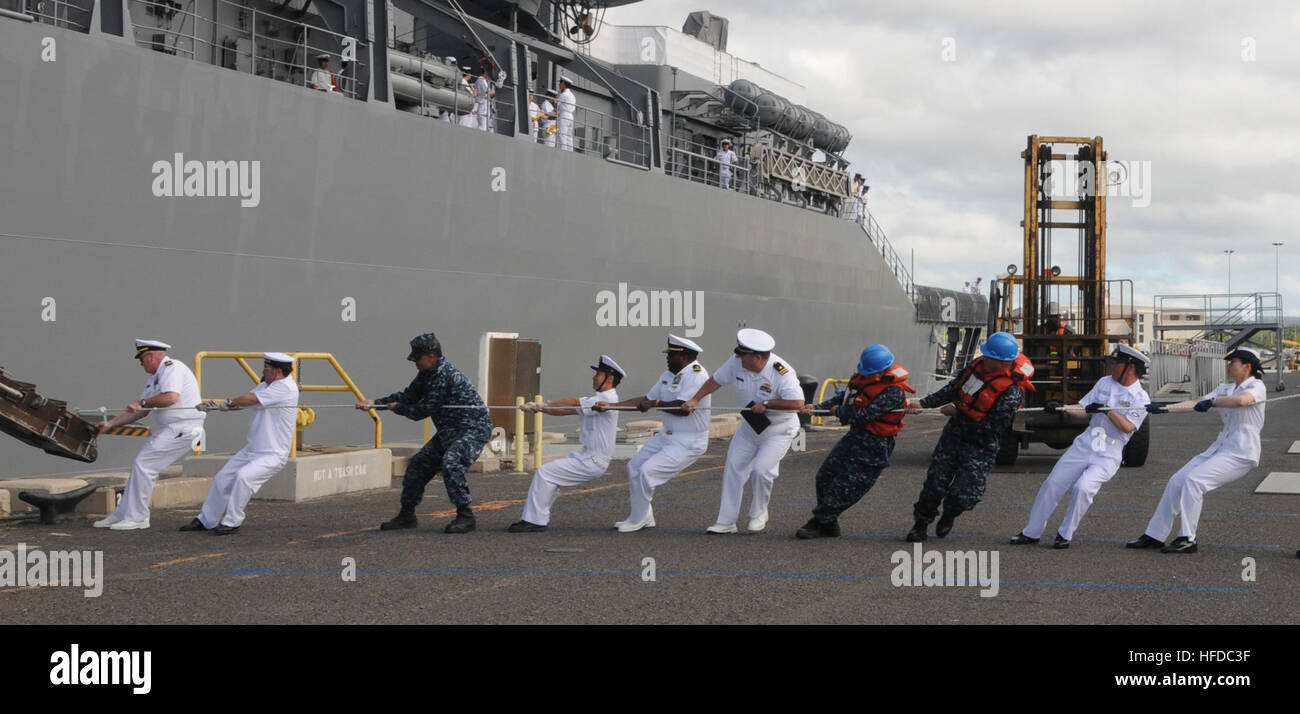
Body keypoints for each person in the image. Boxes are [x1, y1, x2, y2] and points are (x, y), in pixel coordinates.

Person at [1127, 348, 1268, 554]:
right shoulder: (1225, 388)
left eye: (1233, 362)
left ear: (1248, 366)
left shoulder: (1257, 386)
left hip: (1242, 452)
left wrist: (1212, 403)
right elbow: (1195, 403)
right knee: (1177, 480)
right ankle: (1155, 535)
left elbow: (1241, 401)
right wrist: (1165, 407)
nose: (1229, 366)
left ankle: (1187, 538)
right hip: (1221, 447)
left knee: (1194, 481)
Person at [1009, 344, 1151, 548]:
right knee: (1052, 485)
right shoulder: (1104, 382)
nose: (1112, 367)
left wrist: (1107, 411)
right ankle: (1031, 532)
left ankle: (1065, 534)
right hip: (1084, 445)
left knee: (1083, 488)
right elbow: (1084, 409)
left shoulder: (1140, 398)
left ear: (1130, 367)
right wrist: (1061, 408)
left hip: (1108, 454)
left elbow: (1128, 427)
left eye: (1117, 363)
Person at [904, 331, 1033, 541]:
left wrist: (959, 411)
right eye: (986, 356)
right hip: (954, 435)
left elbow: (995, 426)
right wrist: (924, 403)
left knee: (967, 493)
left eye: (991, 358)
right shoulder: (976, 367)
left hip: (981, 444)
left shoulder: (1011, 391)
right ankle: (920, 524)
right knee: (935, 483)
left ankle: (950, 513)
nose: (986, 360)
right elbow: (952, 388)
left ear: (1005, 363)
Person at [357, 333, 492, 533]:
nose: (415, 363)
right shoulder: (427, 374)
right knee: (418, 466)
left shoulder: (444, 374)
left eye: (417, 358)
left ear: (431, 356)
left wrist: (397, 408)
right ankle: (407, 515)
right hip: (450, 431)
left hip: (472, 429)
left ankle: (466, 516)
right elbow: (408, 396)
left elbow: (422, 410)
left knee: (451, 462)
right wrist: (376, 403)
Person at [683, 328, 805, 534]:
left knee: (761, 470)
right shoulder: (737, 361)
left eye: (743, 355)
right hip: (750, 427)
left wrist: (767, 403)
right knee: (733, 468)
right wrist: (695, 398)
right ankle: (726, 521)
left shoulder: (781, 372)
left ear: (757, 357)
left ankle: (759, 513)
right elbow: (716, 380)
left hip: (778, 429)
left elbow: (798, 403)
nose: (737, 358)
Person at [795, 345, 914, 539]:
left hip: (877, 443)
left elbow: (865, 414)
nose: (868, 376)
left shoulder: (893, 391)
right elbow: (845, 397)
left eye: (872, 373)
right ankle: (829, 523)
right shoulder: (861, 378)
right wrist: (817, 408)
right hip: (855, 437)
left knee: (849, 487)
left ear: (884, 370)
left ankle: (817, 522)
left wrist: (838, 412)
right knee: (825, 476)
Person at [601, 335, 712, 532]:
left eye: (671, 355)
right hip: (667, 435)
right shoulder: (668, 375)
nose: (667, 358)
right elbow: (646, 399)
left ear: (685, 357)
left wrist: (655, 404)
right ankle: (644, 516)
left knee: (647, 472)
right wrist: (611, 406)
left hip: (689, 440)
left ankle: (638, 519)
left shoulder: (697, 376)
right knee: (634, 466)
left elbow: (683, 408)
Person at [181, 352, 299, 535]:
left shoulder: (285, 388)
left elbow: (251, 399)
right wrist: (216, 406)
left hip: (273, 453)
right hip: (253, 449)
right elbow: (245, 402)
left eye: (266, 368)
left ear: (277, 371)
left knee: (243, 478)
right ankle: (206, 520)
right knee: (222, 479)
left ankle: (232, 522)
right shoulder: (266, 386)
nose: (263, 371)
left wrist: (229, 402)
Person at [93, 340, 205, 531]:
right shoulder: (155, 378)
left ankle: (138, 518)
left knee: (144, 465)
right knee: (141, 466)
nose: (141, 364)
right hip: (172, 429)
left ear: (151, 356)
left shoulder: (172, 368)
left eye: (142, 359)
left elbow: (171, 398)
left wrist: (142, 402)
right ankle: (122, 514)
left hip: (184, 428)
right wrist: (109, 424)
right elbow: (141, 411)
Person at [509, 355, 625, 532]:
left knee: (545, 473)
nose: (594, 377)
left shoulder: (606, 400)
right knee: (549, 476)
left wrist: (542, 405)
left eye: (598, 374)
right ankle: (536, 519)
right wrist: (541, 410)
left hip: (593, 461)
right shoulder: (597, 400)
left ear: (609, 378)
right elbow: (566, 410)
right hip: (587, 457)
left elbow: (573, 402)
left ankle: (535, 521)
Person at [556, 76, 576, 151]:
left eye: (560, 83)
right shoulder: (572, 95)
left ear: (563, 84)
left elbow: (556, 102)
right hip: (571, 116)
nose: (559, 84)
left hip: (564, 115)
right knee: (569, 136)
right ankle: (570, 151)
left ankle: (563, 151)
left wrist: (559, 93)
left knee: (562, 134)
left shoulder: (564, 95)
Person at [473, 66, 495, 131]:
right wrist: (494, 92)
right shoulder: (481, 80)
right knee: (482, 126)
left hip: (485, 106)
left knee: (486, 126)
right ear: (485, 72)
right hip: (483, 106)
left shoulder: (482, 80)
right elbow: (487, 93)